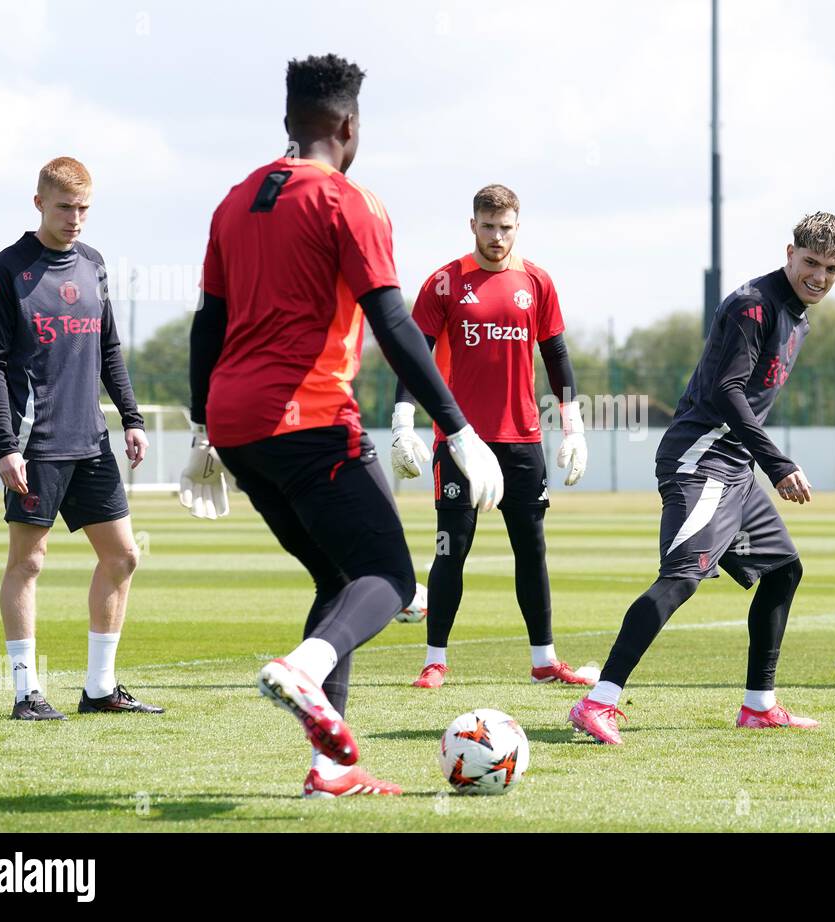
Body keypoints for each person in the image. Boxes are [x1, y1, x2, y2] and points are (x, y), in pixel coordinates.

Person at [186, 54, 503, 797]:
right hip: (309, 417)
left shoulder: (233, 201)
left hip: (237, 428)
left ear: (290, 120)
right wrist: (456, 429)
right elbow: (393, 321)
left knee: (337, 576)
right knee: (390, 577)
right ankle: (303, 667)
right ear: (349, 126)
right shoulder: (346, 200)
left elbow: (209, 322)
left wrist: (202, 430)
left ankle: (330, 767)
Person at [567, 213, 835, 745]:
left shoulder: (799, 314)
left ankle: (759, 706)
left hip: (735, 467)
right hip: (700, 462)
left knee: (783, 571)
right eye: (810, 262)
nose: (819, 276)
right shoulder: (753, 305)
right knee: (681, 577)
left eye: (831, 269)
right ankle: (596, 701)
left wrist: (756, 464)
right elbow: (727, 390)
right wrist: (779, 464)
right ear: (789, 252)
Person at [0, 156, 162, 721]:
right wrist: (5, 443)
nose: (76, 218)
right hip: (36, 446)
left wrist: (131, 417)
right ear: (39, 204)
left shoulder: (95, 265)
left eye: (84, 208)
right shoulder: (6, 269)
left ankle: (99, 688)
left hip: (91, 442)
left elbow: (109, 349)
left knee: (124, 556)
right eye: (65, 207)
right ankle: (26, 692)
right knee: (28, 564)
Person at [391, 184, 591, 689]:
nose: (497, 237)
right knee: (450, 550)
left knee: (532, 550)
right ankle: (434, 660)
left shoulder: (537, 282)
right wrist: (401, 422)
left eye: (506, 228)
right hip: (460, 441)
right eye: (488, 227)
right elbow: (414, 357)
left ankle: (544, 660)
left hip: (522, 441)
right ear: (473, 225)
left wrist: (573, 427)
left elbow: (557, 357)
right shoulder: (445, 283)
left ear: (517, 227)